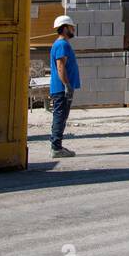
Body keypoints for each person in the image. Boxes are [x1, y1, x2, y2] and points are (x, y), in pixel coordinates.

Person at [49, 15, 81, 157]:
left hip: (61, 87)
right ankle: (56, 148)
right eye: (71, 27)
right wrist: (67, 85)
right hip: (61, 88)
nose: (73, 29)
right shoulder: (62, 45)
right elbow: (60, 66)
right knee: (60, 116)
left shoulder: (60, 44)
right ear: (65, 28)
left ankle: (58, 146)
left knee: (61, 116)